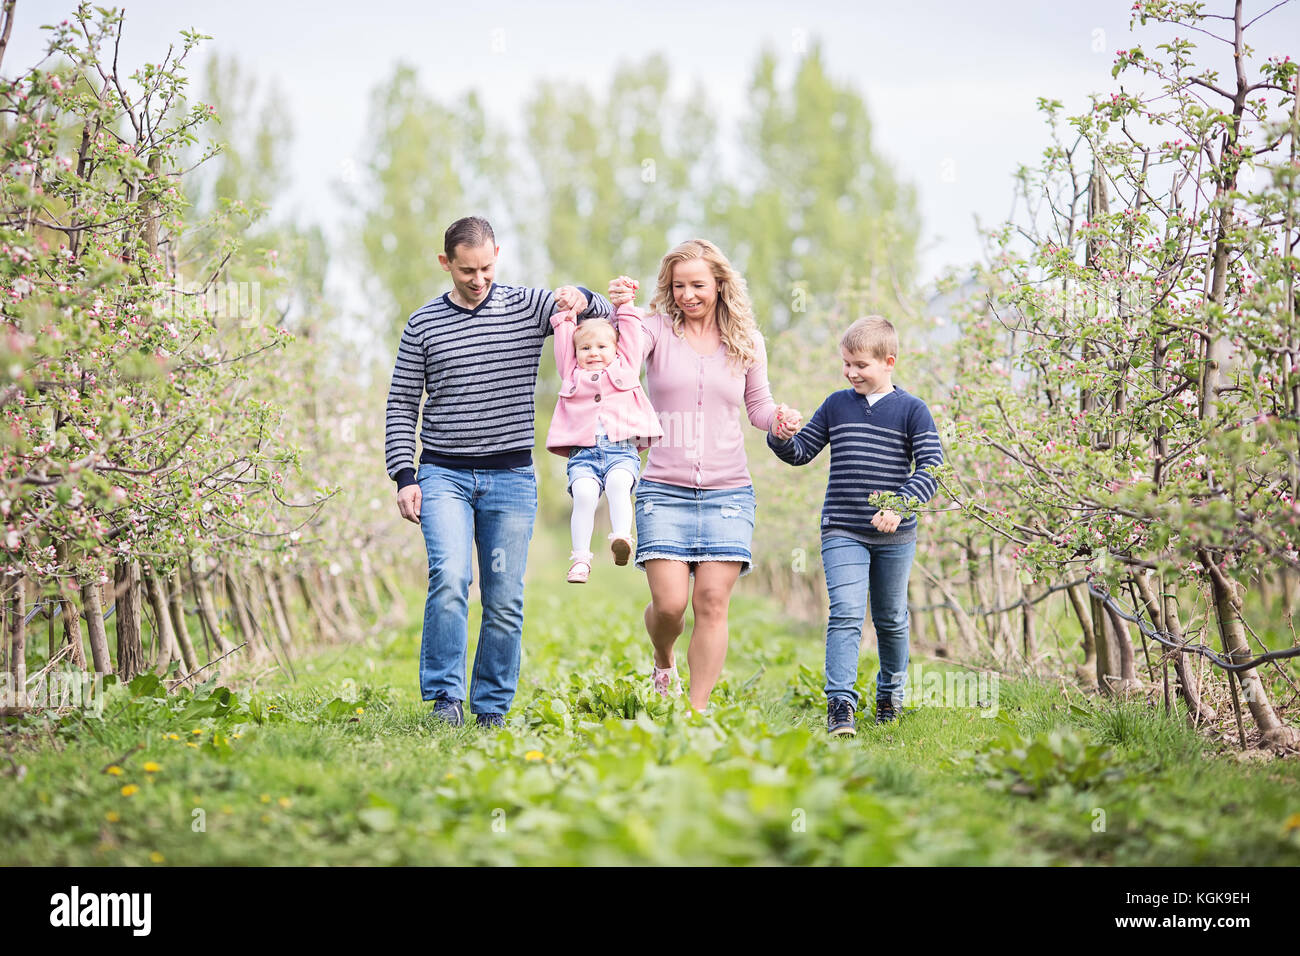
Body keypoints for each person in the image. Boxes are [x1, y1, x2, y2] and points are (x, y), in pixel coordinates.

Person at [385, 216, 611, 729]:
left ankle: (490, 708)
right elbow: (401, 403)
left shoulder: (526, 306)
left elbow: (600, 321)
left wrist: (579, 294)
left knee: (505, 594)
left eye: (487, 267)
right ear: (446, 264)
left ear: (498, 256)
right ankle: (446, 699)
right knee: (451, 578)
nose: (479, 279)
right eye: (467, 270)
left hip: (510, 477)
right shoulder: (423, 324)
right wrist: (405, 475)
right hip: (442, 473)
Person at [607, 240, 800, 713]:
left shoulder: (747, 341)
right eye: (679, 286)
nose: (689, 295)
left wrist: (779, 419)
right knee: (670, 606)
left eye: (698, 285)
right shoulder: (653, 329)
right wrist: (619, 308)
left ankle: (695, 713)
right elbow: (622, 363)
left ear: (719, 284)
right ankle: (663, 655)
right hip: (663, 488)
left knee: (712, 602)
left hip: (729, 491)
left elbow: (758, 406)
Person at [766, 315, 944, 737]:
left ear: (889, 361)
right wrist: (780, 436)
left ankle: (890, 696)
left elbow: (933, 468)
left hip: (896, 534)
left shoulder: (913, 410)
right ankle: (840, 705)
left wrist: (899, 505)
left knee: (891, 618)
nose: (851, 372)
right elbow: (802, 452)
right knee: (845, 613)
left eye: (860, 365)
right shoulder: (836, 404)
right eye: (846, 363)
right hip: (842, 528)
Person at [544, 300, 664, 583]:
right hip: (583, 454)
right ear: (576, 353)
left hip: (620, 451)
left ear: (615, 350)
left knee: (618, 485)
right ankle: (581, 560)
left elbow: (632, 338)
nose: (593, 353)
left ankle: (622, 538)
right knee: (584, 496)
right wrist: (565, 316)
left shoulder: (625, 370)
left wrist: (625, 305)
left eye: (601, 347)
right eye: (585, 348)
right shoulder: (571, 376)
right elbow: (563, 348)